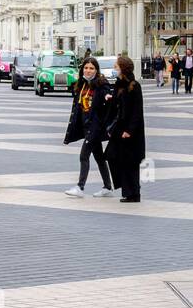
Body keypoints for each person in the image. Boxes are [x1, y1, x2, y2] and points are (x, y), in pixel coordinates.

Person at [63, 57, 116, 199]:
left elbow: (107, 93)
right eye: (86, 68)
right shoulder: (82, 85)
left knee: (83, 155)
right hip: (86, 126)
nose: (88, 70)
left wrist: (108, 96)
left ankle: (80, 187)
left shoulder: (101, 84)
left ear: (96, 70)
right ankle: (108, 187)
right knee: (99, 157)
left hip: (95, 127)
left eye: (91, 68)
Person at [106, 55, 146, 203]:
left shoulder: (134, 86)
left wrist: (129, 130)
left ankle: (133, 194)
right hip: (119, 129)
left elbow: (137, 111)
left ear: (123, 68)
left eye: (116, 67)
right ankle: (125, 187)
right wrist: (111, 98)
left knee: (130, 162)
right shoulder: (119, 84)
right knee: (112, 155)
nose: (114, 69)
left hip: (130, 132)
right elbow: (118, 104)